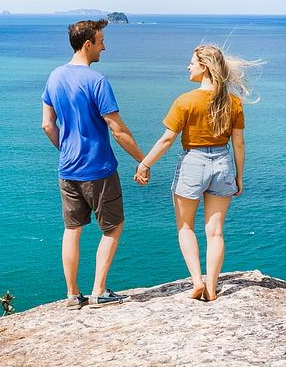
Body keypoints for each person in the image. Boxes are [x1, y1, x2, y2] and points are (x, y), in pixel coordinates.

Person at [134, 45, 260, 301]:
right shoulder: (233, 102)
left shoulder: (185, 101)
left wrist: (144, 164)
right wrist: (239, 175)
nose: (188, 67)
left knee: (185, 227)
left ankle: (196, 282)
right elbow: (239, 143)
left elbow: (167, 139)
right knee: (215, 232)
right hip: (223, 163)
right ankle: (212, 288)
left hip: (193, 163)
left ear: (204, 67)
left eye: (191, 62)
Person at [42, 19, 147, 308]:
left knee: (72, 230)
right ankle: (99, 291)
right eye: (101, 41)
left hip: (67, 169)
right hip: (98, 169)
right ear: (87, 44)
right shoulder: (96, 81)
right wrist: (143, 160)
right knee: (113, 227)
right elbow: (118, 129)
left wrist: (66, 149)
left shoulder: (54, 77)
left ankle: (72, 295)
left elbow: (47, 125)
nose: (104, 46)